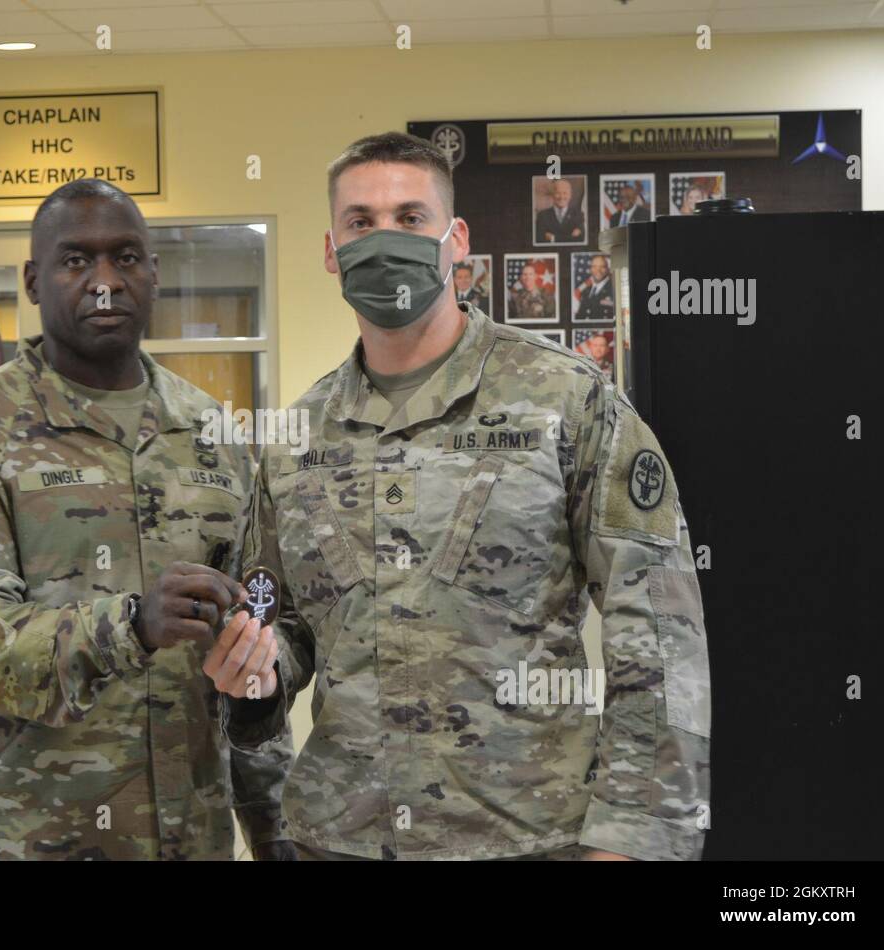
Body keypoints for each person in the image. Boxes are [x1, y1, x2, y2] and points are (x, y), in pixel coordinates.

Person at [205, 132, 710, 861]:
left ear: (455, 239)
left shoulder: (566, 401)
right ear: (330, 249)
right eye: (361, 222)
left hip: (524, 837)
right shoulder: (297, 436)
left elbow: (659, 629)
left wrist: (635, 836)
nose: (384, 239)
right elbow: (286, 634)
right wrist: (252, 673)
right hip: (342, 838)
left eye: (410, 217)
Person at [0, 179, 294, 861]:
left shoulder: (211, 430)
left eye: (126, 258)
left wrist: (275, 830)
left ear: (154, 274)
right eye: (76, 261)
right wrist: (128, 626)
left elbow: (250, 644)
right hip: (23, 834)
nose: (105, 283)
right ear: (34, 281)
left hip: (186, 833)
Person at [534, 178, 584, 244]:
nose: (561, 197)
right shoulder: (542, 215)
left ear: (570, 195)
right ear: (552, 195)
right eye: (558, 193)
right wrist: (570, 237)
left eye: (565, 193)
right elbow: (539, 239)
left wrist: (553, 238)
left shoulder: (578, 214)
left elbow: (580, 239)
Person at [575, 253, 615, 322]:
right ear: (591, 269)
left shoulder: (613, 288)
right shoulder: (585, 289)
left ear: (608, 269)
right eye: (594, 267)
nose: (598, 270)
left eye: (602, 267)